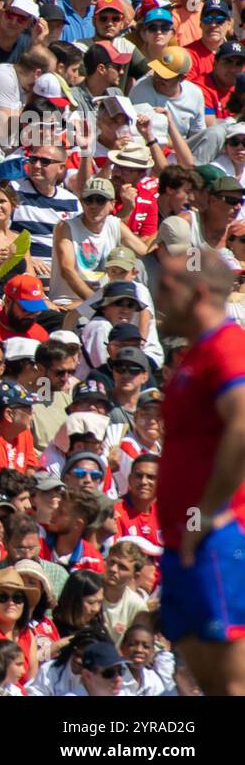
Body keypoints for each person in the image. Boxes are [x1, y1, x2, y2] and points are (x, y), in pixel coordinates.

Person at [155, 247, 245, 695]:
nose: (157, 294)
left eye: (168, 285)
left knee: (232, 684)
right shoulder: (193, 357)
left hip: (216, 539)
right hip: (182, 541)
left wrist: (208, 513)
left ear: (200, 292)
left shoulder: (228, 347)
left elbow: (243, 423)